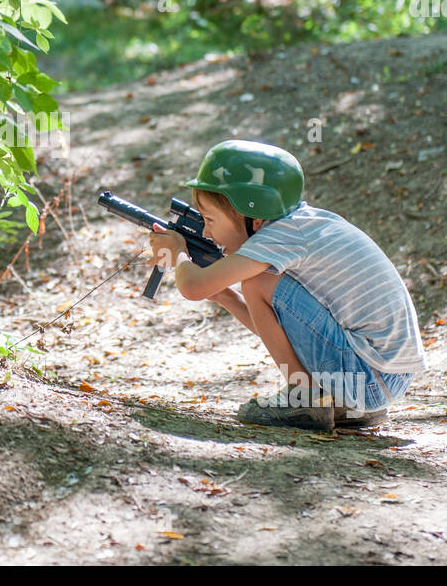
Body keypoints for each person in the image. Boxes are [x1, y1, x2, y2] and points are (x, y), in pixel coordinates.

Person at [148, 138, 426, 431]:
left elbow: (192, 287)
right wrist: (226, 298)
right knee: (256, 282)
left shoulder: (280, 236)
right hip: (381, 378)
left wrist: (177, 250)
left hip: (368, 376)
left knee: (255, 282)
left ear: (253, 218)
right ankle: (339, 403)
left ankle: (305, 398)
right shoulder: (303, 226)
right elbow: (288, 335)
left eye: (209, 219)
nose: (205, 230)